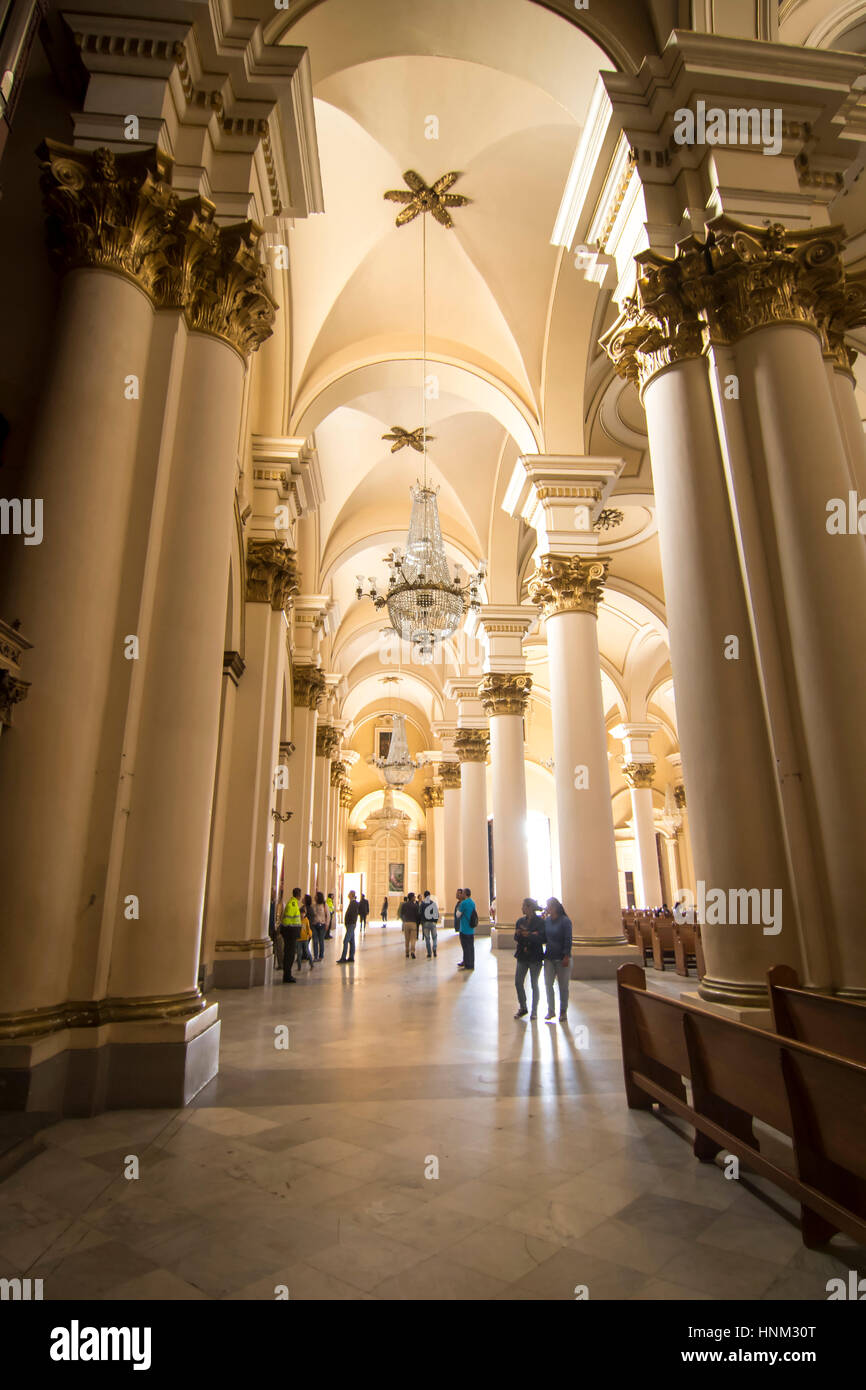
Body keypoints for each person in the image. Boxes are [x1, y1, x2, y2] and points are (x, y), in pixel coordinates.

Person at [513, 898, 545, 1019]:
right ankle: (523, 1006)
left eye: (524, 906)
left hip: (535, 956)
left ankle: (534, 1010)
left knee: (534, 983)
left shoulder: (540, 922)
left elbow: (542, 938)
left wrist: (529, 935)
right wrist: (522, 934)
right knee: (518, 982)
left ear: (530, 908)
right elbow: (516, 937)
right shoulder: (520, 921)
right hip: (522, 955)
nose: (522, 908)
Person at [542, 897, 573, 1021]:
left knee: (563, 986)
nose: (546, 908)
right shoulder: (547, 921)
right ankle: (551, 1010)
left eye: (548, 906)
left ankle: (563, 1011)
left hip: (562, 958)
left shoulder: (565, 921)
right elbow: (545, 938)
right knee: (548, 984)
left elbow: (568, 939)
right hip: (549, 956)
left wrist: (566, 955)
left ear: (554, 907)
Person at [279, 888, 302, 984]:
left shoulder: (293, 903)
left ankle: (288, 975)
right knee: (290, 955)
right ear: (298, 895)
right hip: (290, 933)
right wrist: (288, 929)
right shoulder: (293, 904)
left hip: (290, 932)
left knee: (289, 954)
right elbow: (288, 919)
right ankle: (287, 976)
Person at [456, 887, 477, 970]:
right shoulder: (472, 902)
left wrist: (459, 906)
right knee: (471, 947)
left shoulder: (463, 903)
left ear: (465, 894)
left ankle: (468, 964)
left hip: (464, 928)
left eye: (463, 893)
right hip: (471, 929)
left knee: (465, 947)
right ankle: (470, 963)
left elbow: (458, 915)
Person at [338, 890, 359, 963]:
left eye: (349, 894)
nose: (348, 895)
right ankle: (351, 957)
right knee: (352, 941)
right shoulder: (352, 903)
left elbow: (353, 914)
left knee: (346, 940)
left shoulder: (354, 903)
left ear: (352, 895)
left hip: (351, 924)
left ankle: (343, 957)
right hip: (350, 924)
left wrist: (351, 922)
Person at [420, 889, 440, 958]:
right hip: (432, 923)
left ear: (424, 896)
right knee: (434, 937)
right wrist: (435, 921)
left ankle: (429, 953)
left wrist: (422, 922)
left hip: (425, 923)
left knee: (427, 938)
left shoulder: (422, 904)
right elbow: (436, 913)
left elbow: (420, 914)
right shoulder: (433, 903)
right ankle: (434, 948)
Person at [399, 892, 419, 958]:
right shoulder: (415, 905)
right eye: (414, 897)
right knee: (413, 939)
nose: (415, 898)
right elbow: (417, 915)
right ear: (412, 897)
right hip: (413, 923)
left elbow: (401, 914)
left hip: (406, 923)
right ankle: (412, 951)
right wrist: (417, 922)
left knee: (407, 939)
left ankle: (407, 952)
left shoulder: (404, 905)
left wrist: (404, 920)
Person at [311, 891, 328, 961]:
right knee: (315, 941)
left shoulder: (324, 905)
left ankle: (321, 956)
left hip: (322, 925)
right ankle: (315, 956)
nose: (315, 897)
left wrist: (327, 924)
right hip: (314, 925)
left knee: (321, 941)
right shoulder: (313, 905)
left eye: (316, 896)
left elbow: (328, 915)